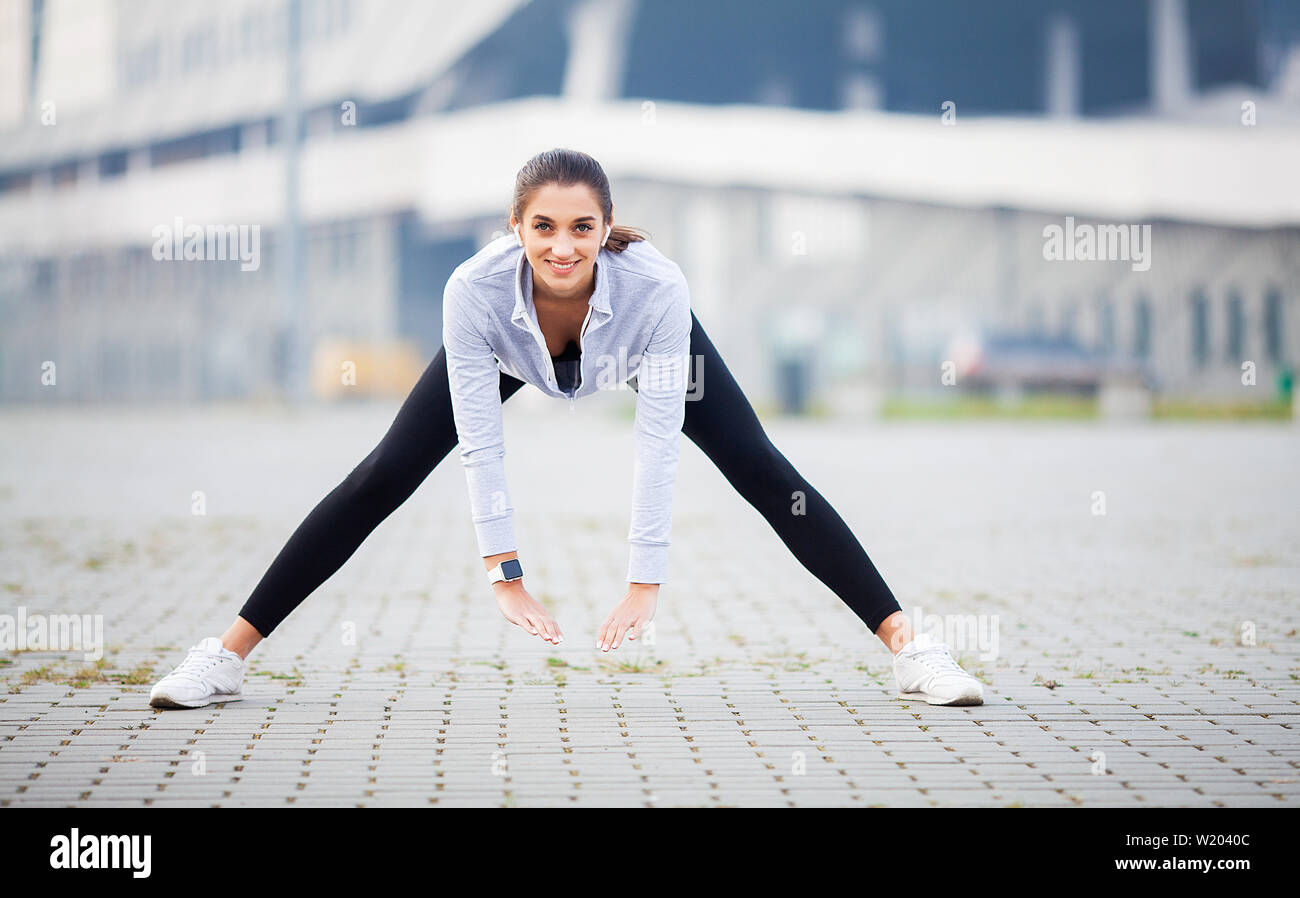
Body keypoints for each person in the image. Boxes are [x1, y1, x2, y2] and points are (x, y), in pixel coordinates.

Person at [149, 148, 983, 710]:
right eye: (542, 227)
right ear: (515, 227)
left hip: (633, 346)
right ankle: (223, 656)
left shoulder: (656, 289)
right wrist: (504, 571)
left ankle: (913, 648)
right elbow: (482, 442)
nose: (561, 246)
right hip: (516, 351)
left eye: (581, 227)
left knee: (768, 475)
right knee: (379, 479)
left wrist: (643, 580)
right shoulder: (473, 294)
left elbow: (657, 444)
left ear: (605, 228)